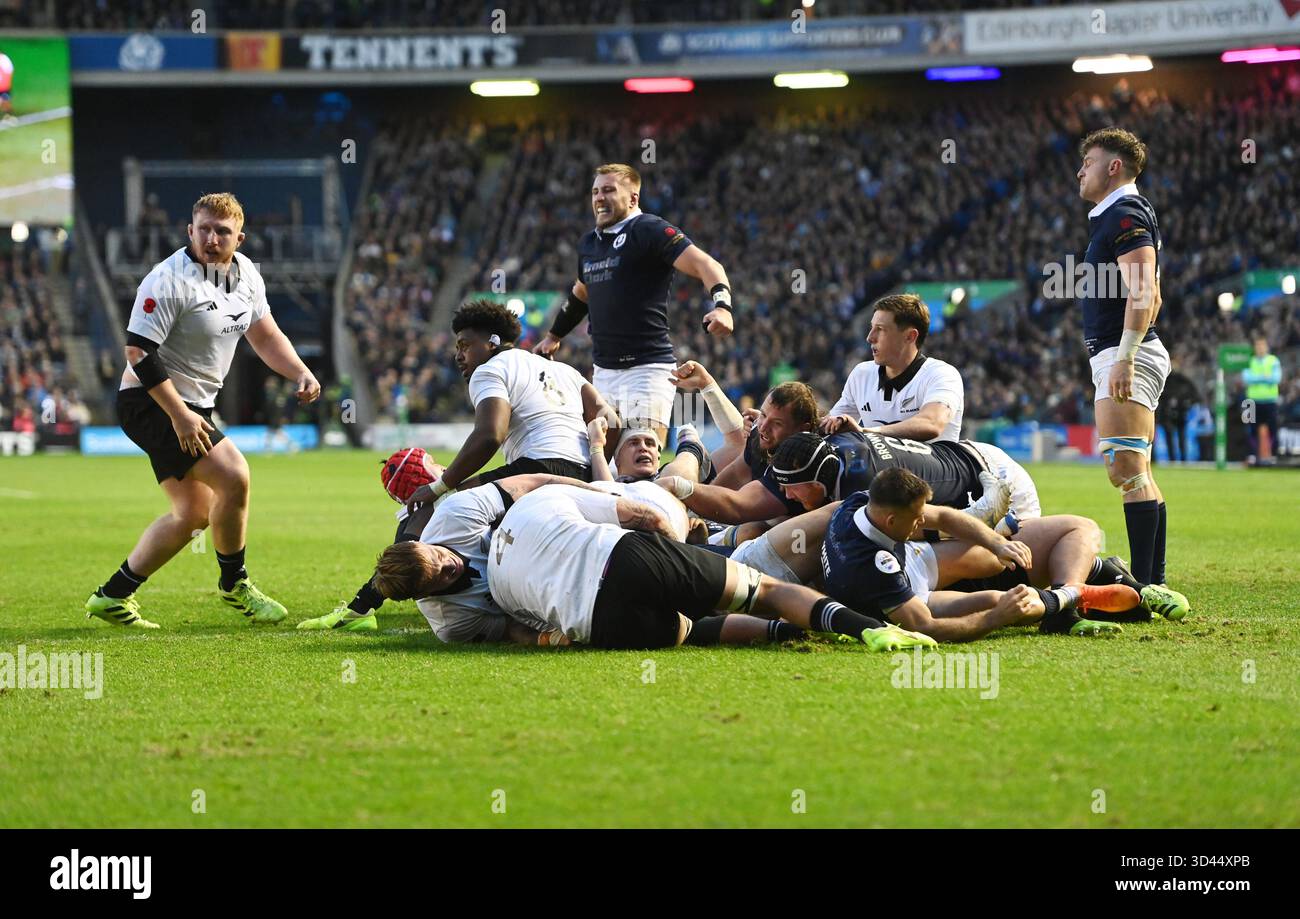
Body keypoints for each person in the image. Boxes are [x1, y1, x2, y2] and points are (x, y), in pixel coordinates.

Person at [299, 299, 618, 632]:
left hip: (536, 469)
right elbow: (610, 419)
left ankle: (363, 608)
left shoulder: (490, 370)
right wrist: (595, 463)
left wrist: (440, 484)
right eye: (457, 346)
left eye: (466, 345)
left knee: (424, 506)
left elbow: (489, 436)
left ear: (492, 343)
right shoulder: (566, 371)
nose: (459, 354)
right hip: (581, 473)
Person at [85, 193, 321, 629]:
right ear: (189, 231)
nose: (212, 239)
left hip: (193, 406)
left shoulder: (246, 273)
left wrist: (301, 372)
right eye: (204, 229)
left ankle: (113, 595)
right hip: (151, 401)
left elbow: (265, 335)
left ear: (239, 238)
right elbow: (138, 351)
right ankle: (236, 584)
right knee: (234, 475)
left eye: (222, 232)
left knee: (193, 514)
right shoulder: (167, 280)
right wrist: (179, 414)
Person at [376, 482, 936, 652]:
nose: (452, 565)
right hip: (622, 560)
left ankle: (791, 633)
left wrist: (552, 640)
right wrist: (683, 556)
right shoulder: (533, 504)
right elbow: (638, 514)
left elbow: (520, 630)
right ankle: (871, 631)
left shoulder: (489, 592)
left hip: (596, 625)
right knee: (761, 588)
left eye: (442, 559)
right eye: (443, 572)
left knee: (695, 634)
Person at [533, 163, 735, 445]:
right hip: (603, 373)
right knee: (600, 467)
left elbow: (706, 264)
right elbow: (582, 293)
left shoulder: (648, 229)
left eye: (608, 190)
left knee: (641, 462)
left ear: (633, 198)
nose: (599, 198)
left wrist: (722, 306)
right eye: (594, 192)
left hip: (647, 371)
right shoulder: (589, 243)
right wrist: (554, 336)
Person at [819, 469, 1144, 642]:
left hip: (919, 565)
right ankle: (1072, 595)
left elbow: (944, 518)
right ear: (891, 521)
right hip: (916, 598)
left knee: (1076, 530)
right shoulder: (876, 568)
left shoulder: (860, 503)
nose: (922, 522)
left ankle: (1085, 581)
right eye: (916, 518)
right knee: (1013, 602)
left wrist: (997, 544)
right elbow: (926, 627)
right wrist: (995, 618)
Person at [1075, 126, 1172, 587]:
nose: (1080, 170)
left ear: (1114, 166)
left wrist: (1126, 356)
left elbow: (1145, 292)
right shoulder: (1118, 215)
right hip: (1121, 350)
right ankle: (1152, 583)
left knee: (1125, 469)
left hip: (1125, 352)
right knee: (1136, 469)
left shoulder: (1125, 212)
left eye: (1088, 162)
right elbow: (1153, 293)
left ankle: (1144, 585)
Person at [821, 293, 965, 442]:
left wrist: (865, 432)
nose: (870, 337)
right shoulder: (861, 374)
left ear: (910, 336)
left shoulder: (942, 374)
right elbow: (830, 425)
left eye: (880, 329)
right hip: (884, 465)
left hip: (935, 462)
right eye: (872, 328)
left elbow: (931, 424)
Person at [1242, 336, 1282, 467]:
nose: (1260, 348)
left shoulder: (1273, 361)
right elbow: (1247, 379)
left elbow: (1276, 378)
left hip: (1270, 400)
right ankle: (1252, 456)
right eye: (1257, 346)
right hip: (1250, 401)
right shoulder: (1249, 361)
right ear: (1255, 348)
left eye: (1262, 345)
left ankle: (1274, 456)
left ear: (1266, 347)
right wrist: (1264, 377)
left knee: (1273, 429)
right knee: (1250, 429)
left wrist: (1256, 378)